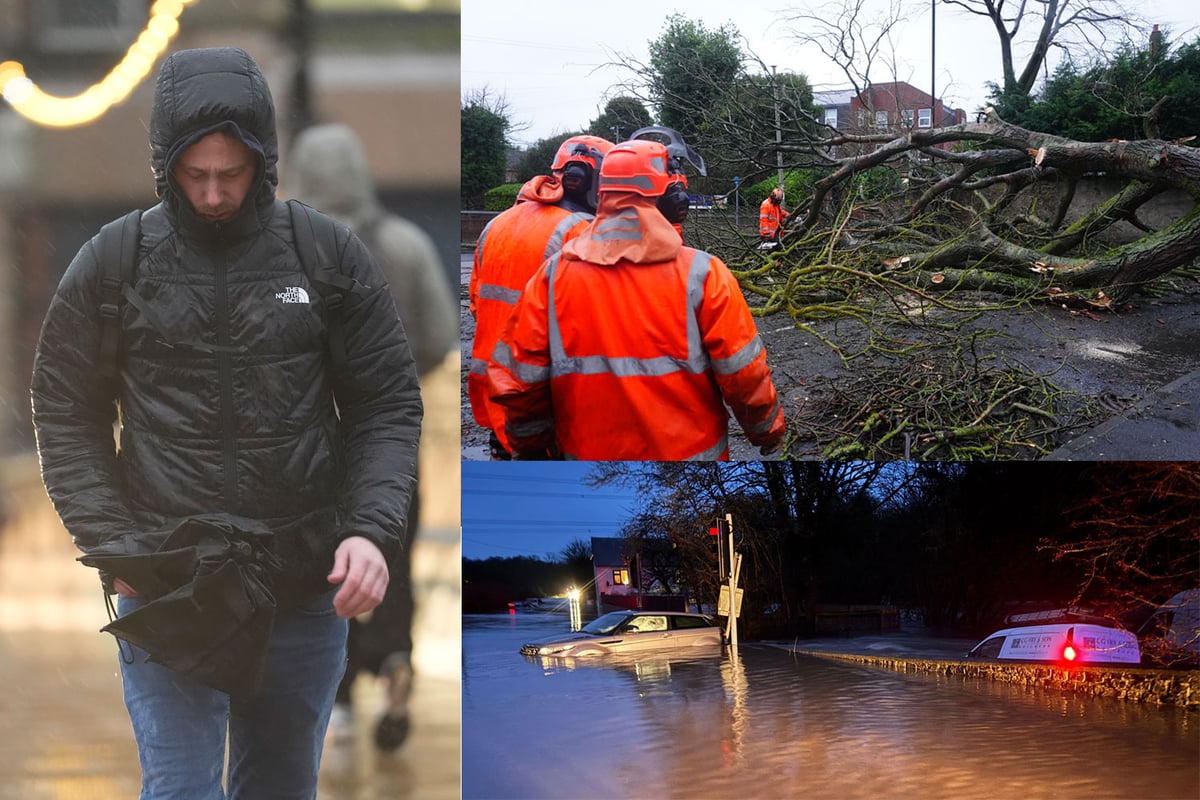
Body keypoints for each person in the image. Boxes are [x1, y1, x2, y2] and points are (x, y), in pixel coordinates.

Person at [30, 46, 422, 799]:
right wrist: (113, 545)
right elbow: (66, 411)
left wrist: (370, 532)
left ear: (263, 161)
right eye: (194, 174)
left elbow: (385, 403)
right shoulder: (113, 263)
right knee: (180, 789)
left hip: (303, 586)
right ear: (164, 165)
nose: (213, 195)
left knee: (278, 788)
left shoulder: (326, 254)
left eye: (231, 174)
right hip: (166, 583)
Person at [289, 122, 456, 751]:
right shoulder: (405, 244)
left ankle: (335, 703)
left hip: (307, 445)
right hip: (390, 441)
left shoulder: (286, 251)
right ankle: (395, 662)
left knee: (319, 567)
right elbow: (441, 341)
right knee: (389, 559)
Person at [487, 138, 787, 460]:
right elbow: (744, 373)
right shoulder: (704, 275)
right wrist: (766, 431)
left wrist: (532, 449)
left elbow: (520, 383)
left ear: (601, 194)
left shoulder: (552, 277)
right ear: (665, 196)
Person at [467, 134, 614, 459]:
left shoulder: (496, 224)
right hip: (549, 401)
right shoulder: (584, 232)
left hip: (499, 397)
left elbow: (477, 304)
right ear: (586, 179)